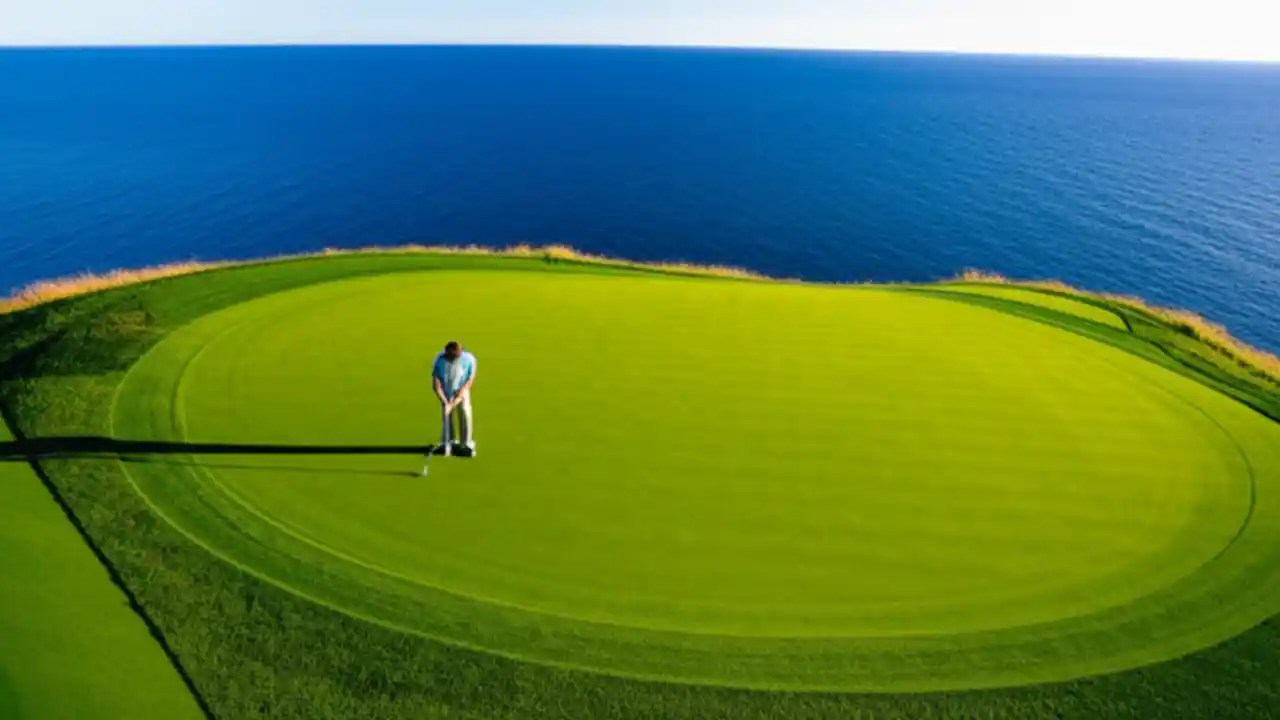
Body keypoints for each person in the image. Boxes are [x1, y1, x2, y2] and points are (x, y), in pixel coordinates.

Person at [431, 340, 477, 457]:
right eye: (449, 357)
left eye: (454, 357)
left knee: (465, 411)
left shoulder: (469, 360)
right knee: (446, 414)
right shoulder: (439, 360)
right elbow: (436, 385)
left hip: (462, 388)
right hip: (446, 388)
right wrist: (446, 402)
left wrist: (454, 402)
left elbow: (468, 384)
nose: (451, 359)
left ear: (459, 353)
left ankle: (466, 444)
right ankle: (447, 443)